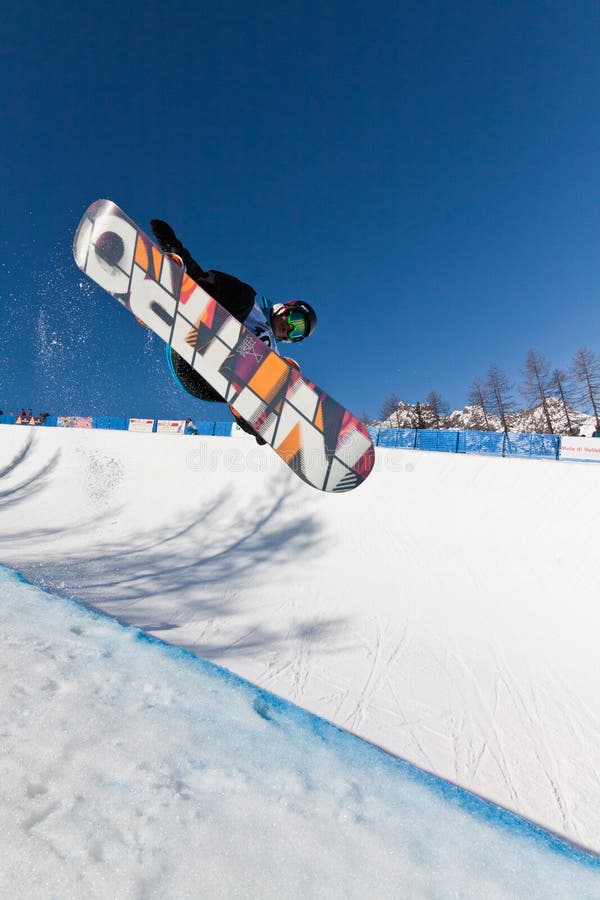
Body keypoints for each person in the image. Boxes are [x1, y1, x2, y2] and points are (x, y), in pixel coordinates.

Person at [149, 220, 317, 443]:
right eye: (295, 319)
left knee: (279, 372)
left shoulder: (273, 354)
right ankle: (170, 300)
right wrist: (172, 246)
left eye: (298, 332)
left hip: (207, 382)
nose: (291, 328)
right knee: (243, 294)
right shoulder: (252, 307)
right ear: (285, 308)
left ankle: (252, 415)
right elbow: (204, 280)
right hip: (189, 350)